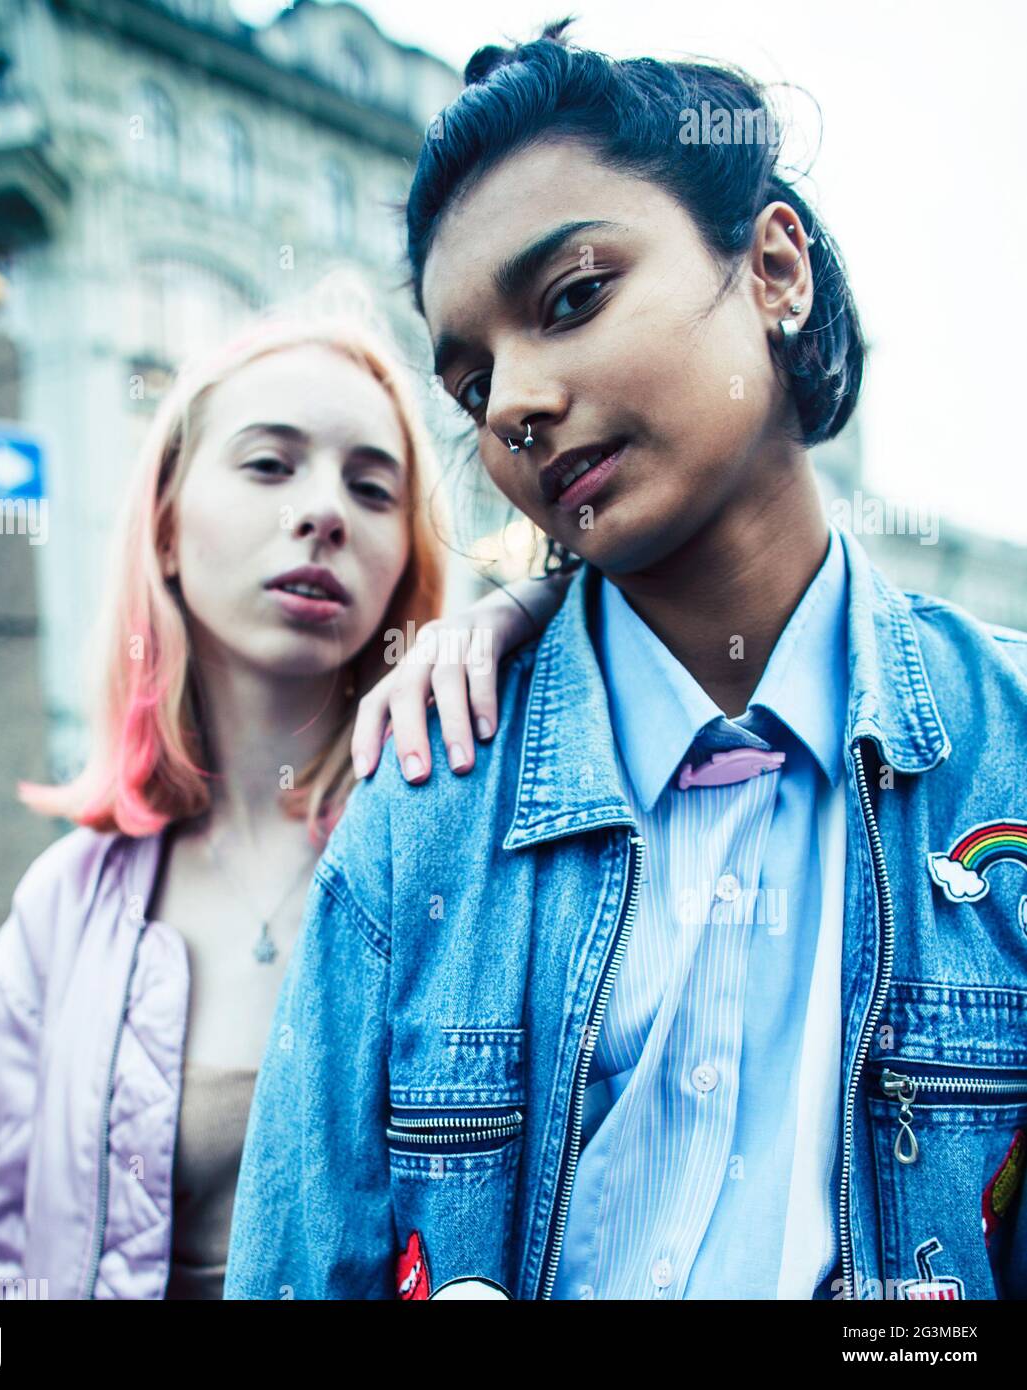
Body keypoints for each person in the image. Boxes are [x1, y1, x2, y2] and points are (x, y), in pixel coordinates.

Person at [224, 23, 1027, 1301]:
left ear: (772, 269)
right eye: (472, 376)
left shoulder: (1006, 752)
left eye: (574, 296)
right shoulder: (426, 805)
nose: (514, 405)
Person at [0, 299, 569, 1299]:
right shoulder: (58, 908)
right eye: (268, 464)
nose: (324, 510)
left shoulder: (461, 858)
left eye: (372, 487)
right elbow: (9, 1262)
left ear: (404, 563)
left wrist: (522, 606)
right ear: (164, 526)